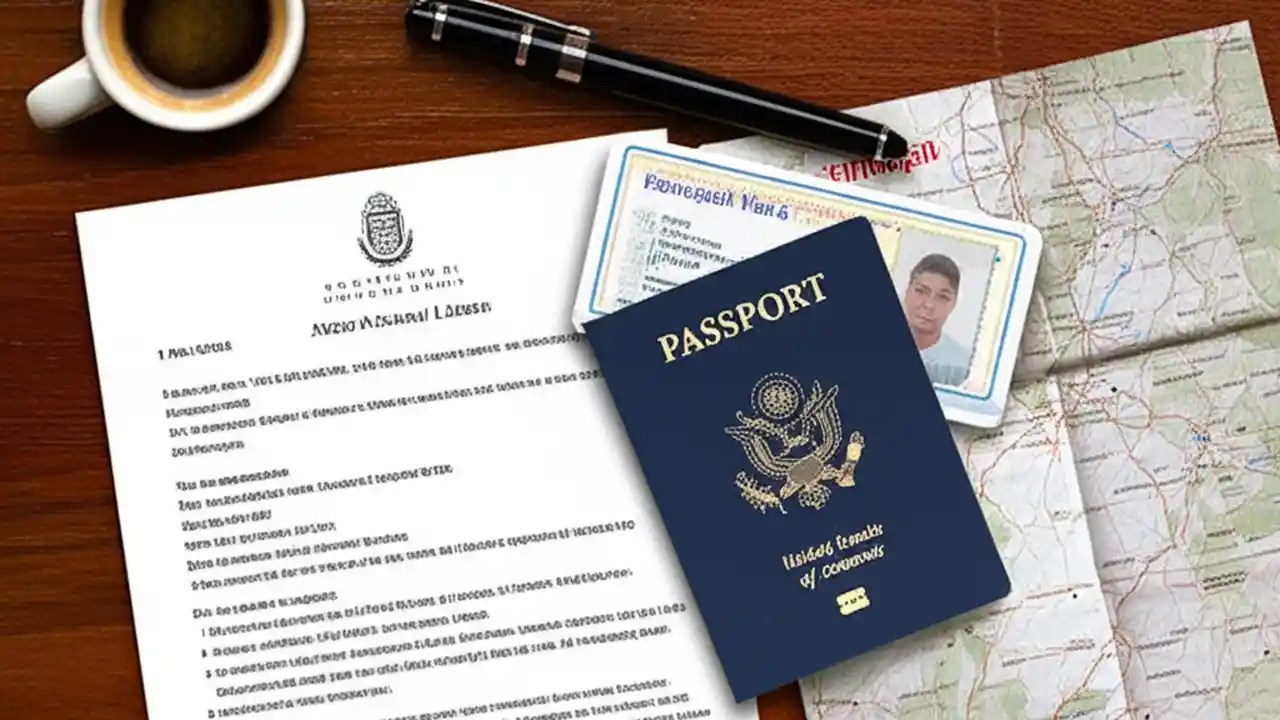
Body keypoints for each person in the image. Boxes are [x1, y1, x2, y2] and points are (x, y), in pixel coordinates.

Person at [901, 253, 971, 386]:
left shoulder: (963, 367)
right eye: (921, 291)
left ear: (953, 303)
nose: (929, 305)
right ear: (907, 291)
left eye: (943, 297)